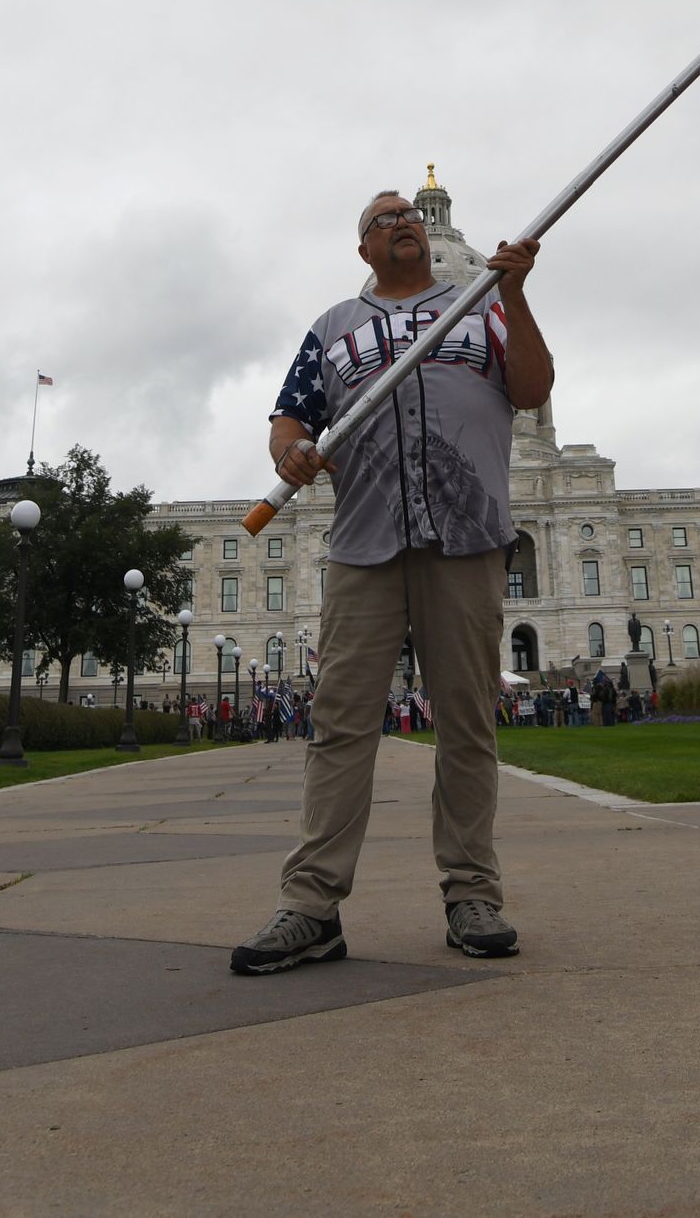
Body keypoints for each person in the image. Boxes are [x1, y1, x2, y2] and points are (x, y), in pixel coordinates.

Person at [229, 187, 552, 975]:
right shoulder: (334, 327)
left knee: (469, 721)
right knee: (340, 724)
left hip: (468, 533)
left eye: (410, 212)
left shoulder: (481, 301)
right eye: (385, 218)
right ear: (364, 248)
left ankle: (472, 893)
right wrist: (289, 454)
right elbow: (290, 417)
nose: (404, 220)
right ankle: (311, 905)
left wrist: (512, 289)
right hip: (365, 542)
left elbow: (534, 389)